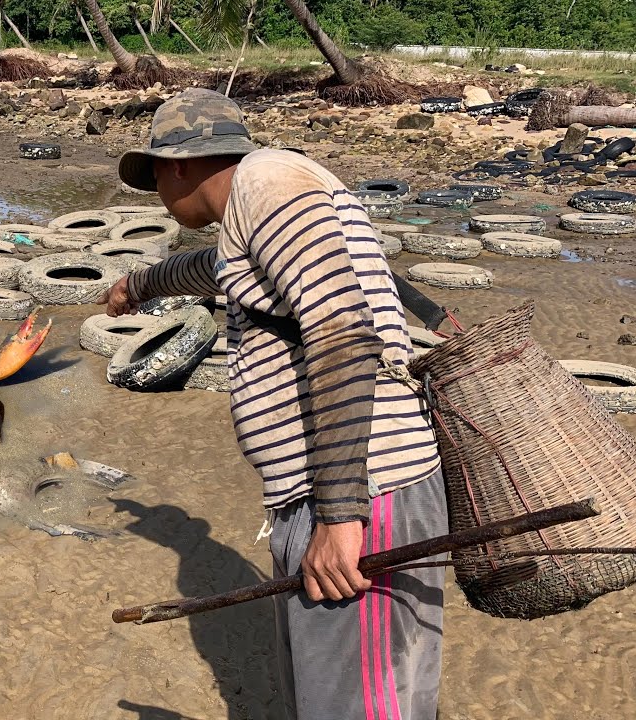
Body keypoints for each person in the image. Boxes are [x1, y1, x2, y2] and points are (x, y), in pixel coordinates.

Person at [103, 87, 448, 719]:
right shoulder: (256, 207)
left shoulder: (271, 186)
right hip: (328, 493)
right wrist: (140, 284)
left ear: (178, 165)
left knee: (364, 706)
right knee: (329, 701)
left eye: (152, 174)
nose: (155, 192)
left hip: (362, 494)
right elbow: (216, 269)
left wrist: (342, 519)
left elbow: (343, 335)